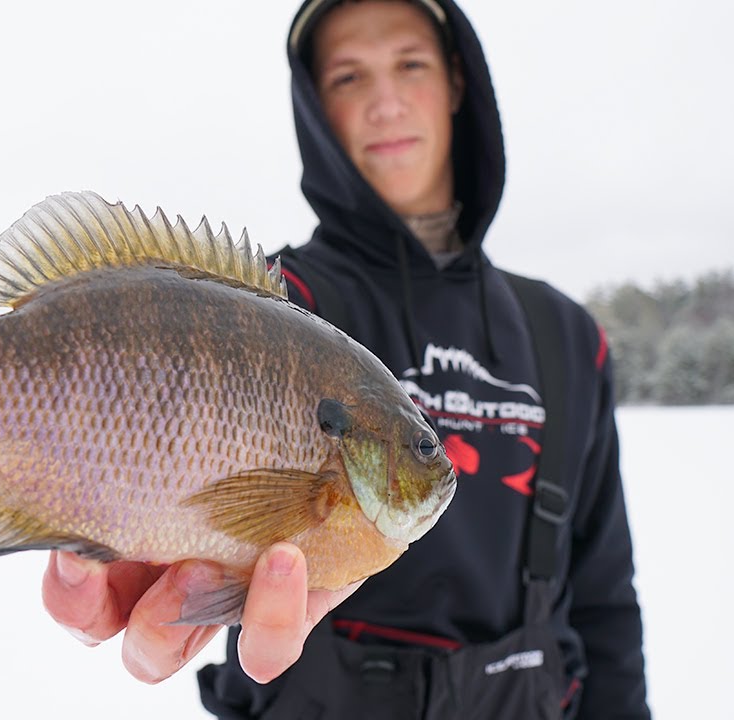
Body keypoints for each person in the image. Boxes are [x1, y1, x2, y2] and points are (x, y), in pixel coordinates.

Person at [43, 0, 651, 717]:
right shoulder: (271, 305)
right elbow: (137, 403)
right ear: (314, 106)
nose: (386, 102)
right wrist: (126, 531)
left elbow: (605, 599)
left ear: (458, 83)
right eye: (348, 77)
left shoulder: (567, 337)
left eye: (410, 65)